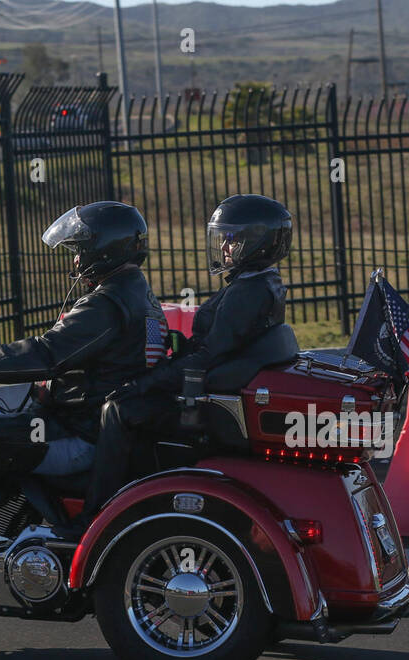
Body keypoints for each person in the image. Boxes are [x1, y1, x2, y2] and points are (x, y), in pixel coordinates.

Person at [0, 201, 167, 583]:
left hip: (76, 433)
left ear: (105, 250)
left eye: (81, 251)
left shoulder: (109, 303)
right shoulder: (139, 296)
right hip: (93, 426)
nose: (75, 262)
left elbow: (45, 354)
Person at [79, 194, 293, 519]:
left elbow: (206, 357)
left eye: (232, 240)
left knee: (118, 409)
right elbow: (217, 346)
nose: (223, 248)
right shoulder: (262, 282)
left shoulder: (247, 292)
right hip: (214, 387)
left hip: (206, 402)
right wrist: (177, 345)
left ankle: (98, 513)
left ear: (256, 243)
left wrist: (143, 382)